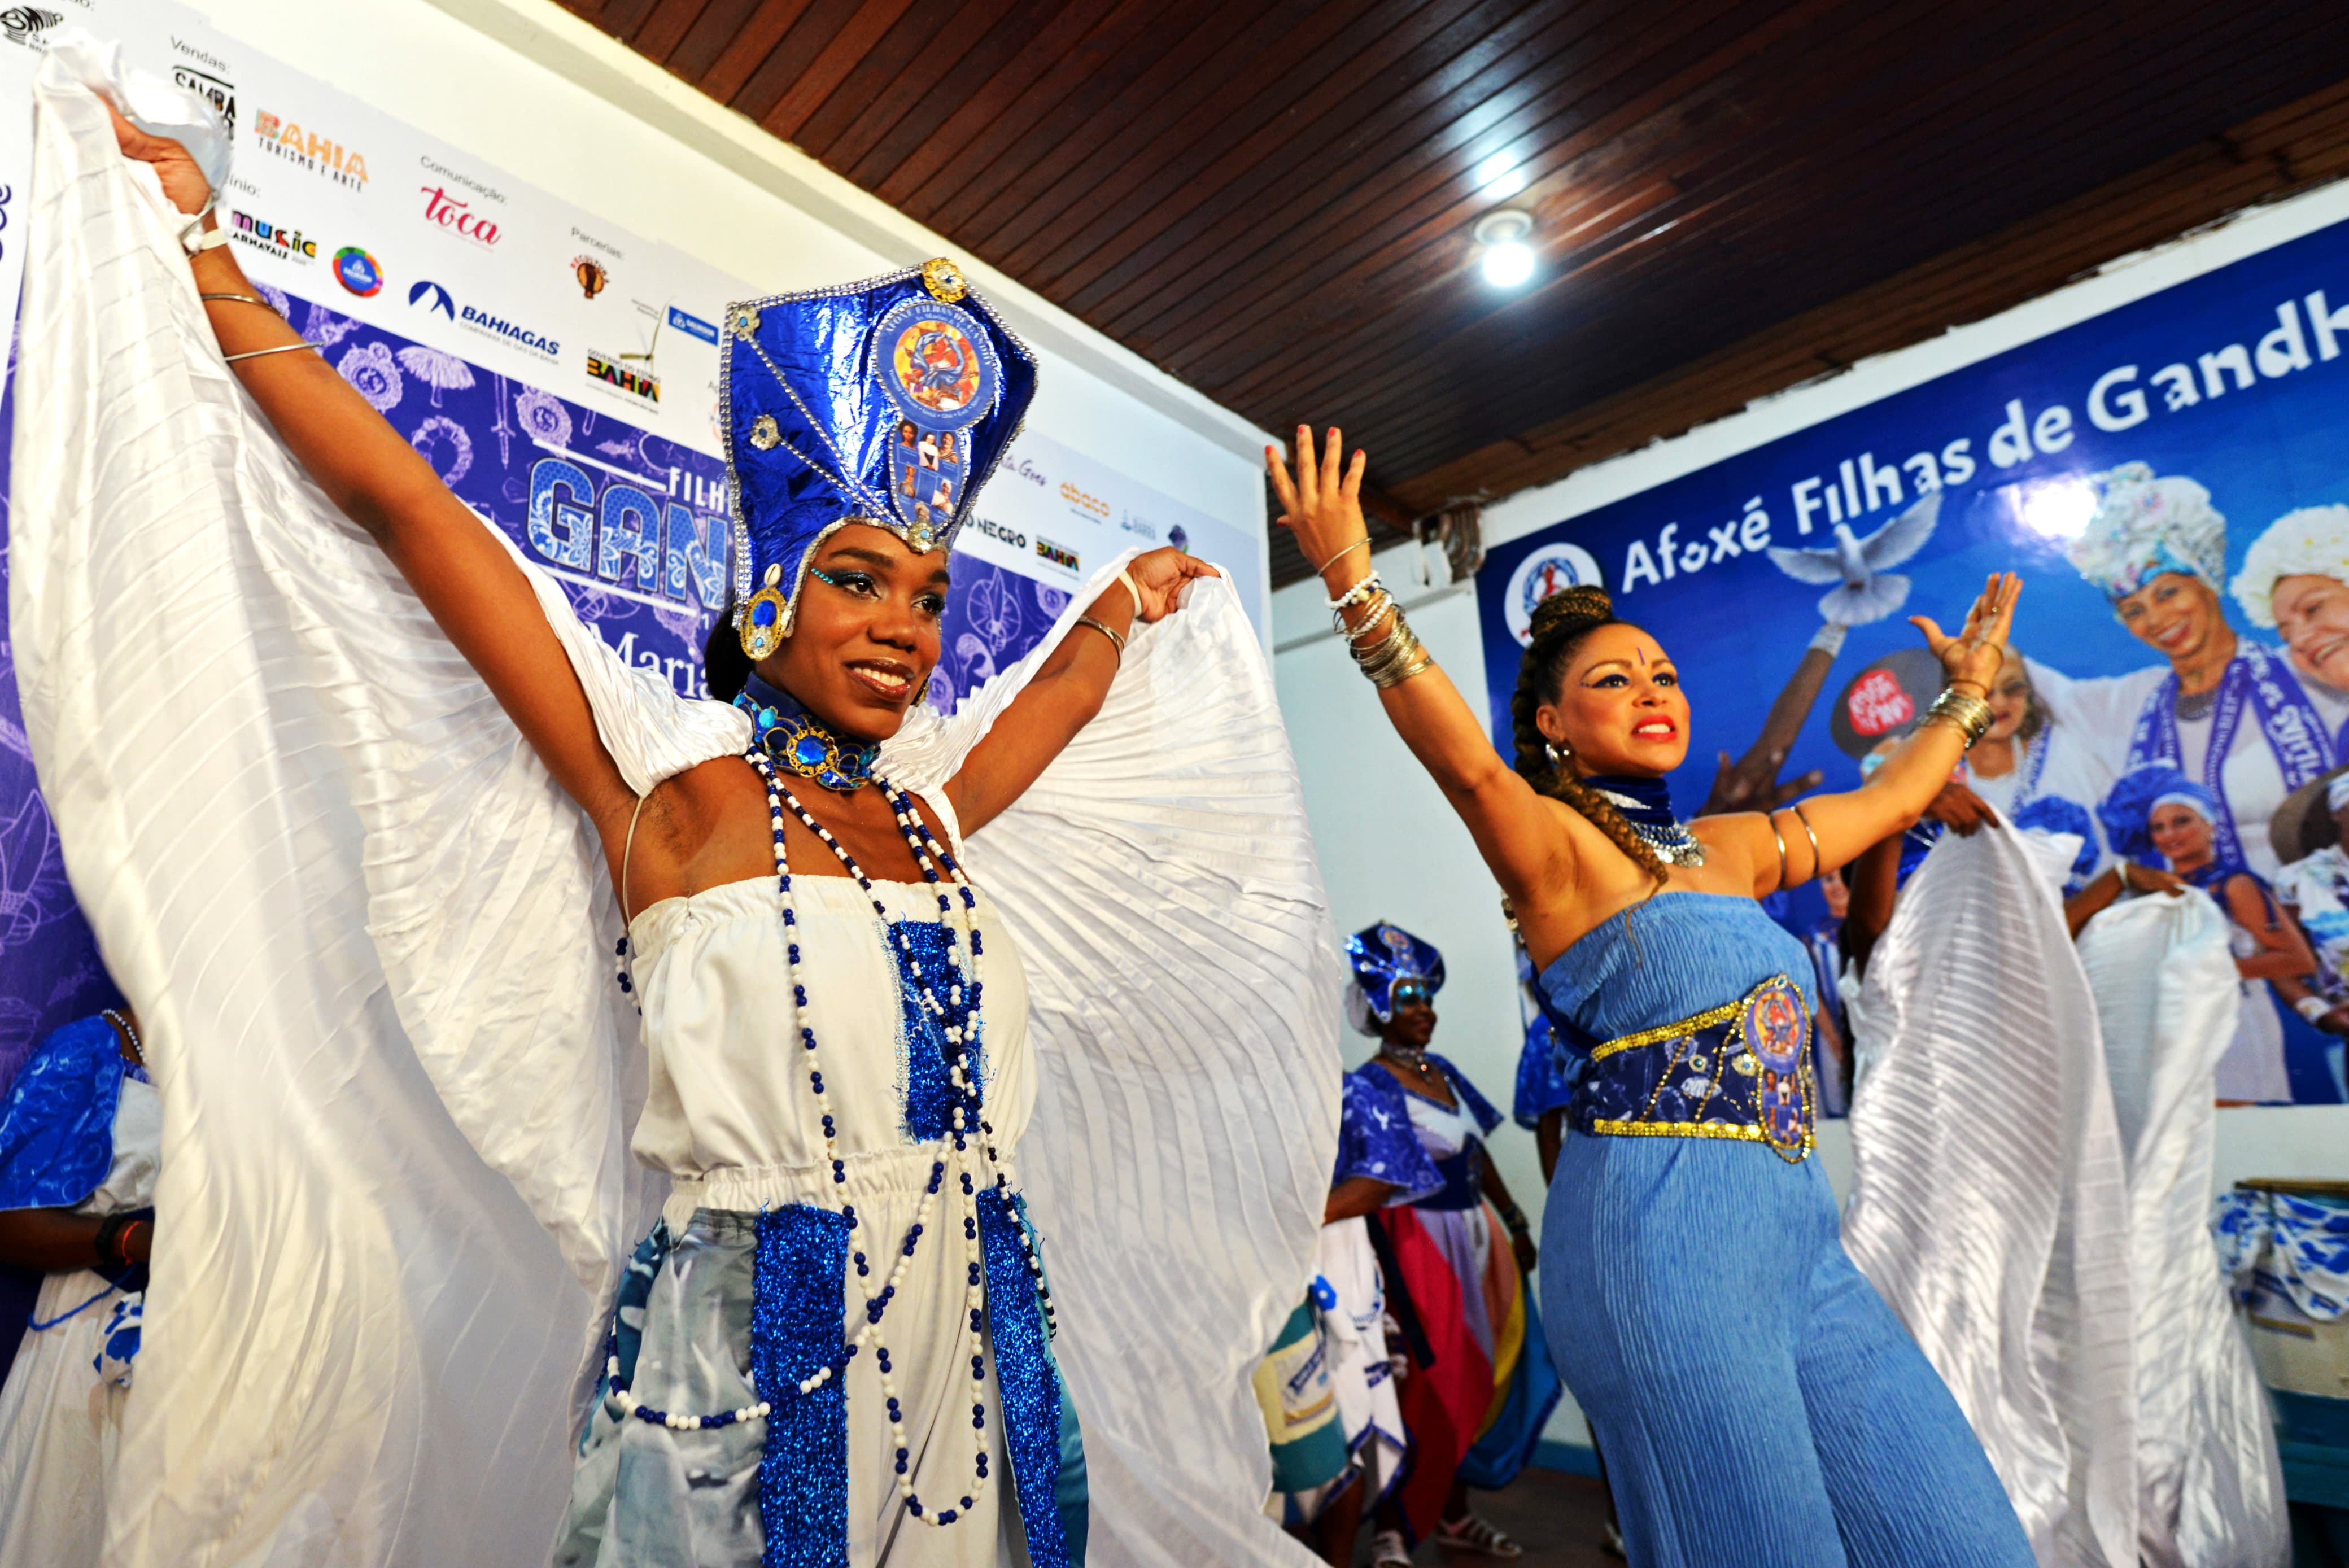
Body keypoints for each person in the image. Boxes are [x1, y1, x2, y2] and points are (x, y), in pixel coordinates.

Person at [70, 88, 1334, 1566]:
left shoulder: (934, 816)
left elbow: (1057, 690)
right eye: (863, 581)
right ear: (773, 599)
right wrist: (207, 246)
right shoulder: (663, 797)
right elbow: (412, 509)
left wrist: (1125, 600)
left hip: (970, 1327)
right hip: (744, 1351)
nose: (906, 630)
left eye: (930, 598)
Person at [1269, 423, 2036, 1566]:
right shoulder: (1558, 854)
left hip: (1798, 1243)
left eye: (1662, 673)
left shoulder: (1727, 847)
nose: (1650, 691)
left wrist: (1963, 698)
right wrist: (1349, 577)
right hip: (1659, 1243)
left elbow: (1885, 806)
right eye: (1611, 680)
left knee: (1963, 1538)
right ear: (1552, 721)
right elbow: (1469, 769)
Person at [1327, 922, 1557, 1567]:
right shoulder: (1364, 1087)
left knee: (1474, 1382)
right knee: (1421, 1388)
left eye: (1427, 996)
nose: (1424, 1009)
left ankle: (1453, 1514)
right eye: (1407, 997)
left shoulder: (1442, 1072)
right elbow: (1363, 1178)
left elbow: (1473, 1150)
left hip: (1474, 1242)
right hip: (1413, 1249)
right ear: (1376, 1008)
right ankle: (1393, 1529)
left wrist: (1513, 1218)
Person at [2046, 463, 2338, 884]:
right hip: (2208, 934)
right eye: (2134, 610)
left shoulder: (2306, 673)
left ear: (2207, 579)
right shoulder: (2132, 704)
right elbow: (2034, 687)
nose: (2157, 618)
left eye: (2168, 592)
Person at [0, 1008, 156, 1568]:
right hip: (88, 1338)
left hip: (204, 1333)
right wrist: (133, 1236)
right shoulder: (87, 1050)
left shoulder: (247, 1071)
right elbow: (10, 1220)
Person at [2099, 766, 2315, 1104]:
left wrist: (2212, 970)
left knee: (2236, 1125)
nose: (2170, 834)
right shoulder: (2159, 889)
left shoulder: (2236, 884)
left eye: (2182, 821)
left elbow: (2296, 958)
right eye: (2159, 827)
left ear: (2210, 823)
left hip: (2234, 1021)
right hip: (2177, 1024)